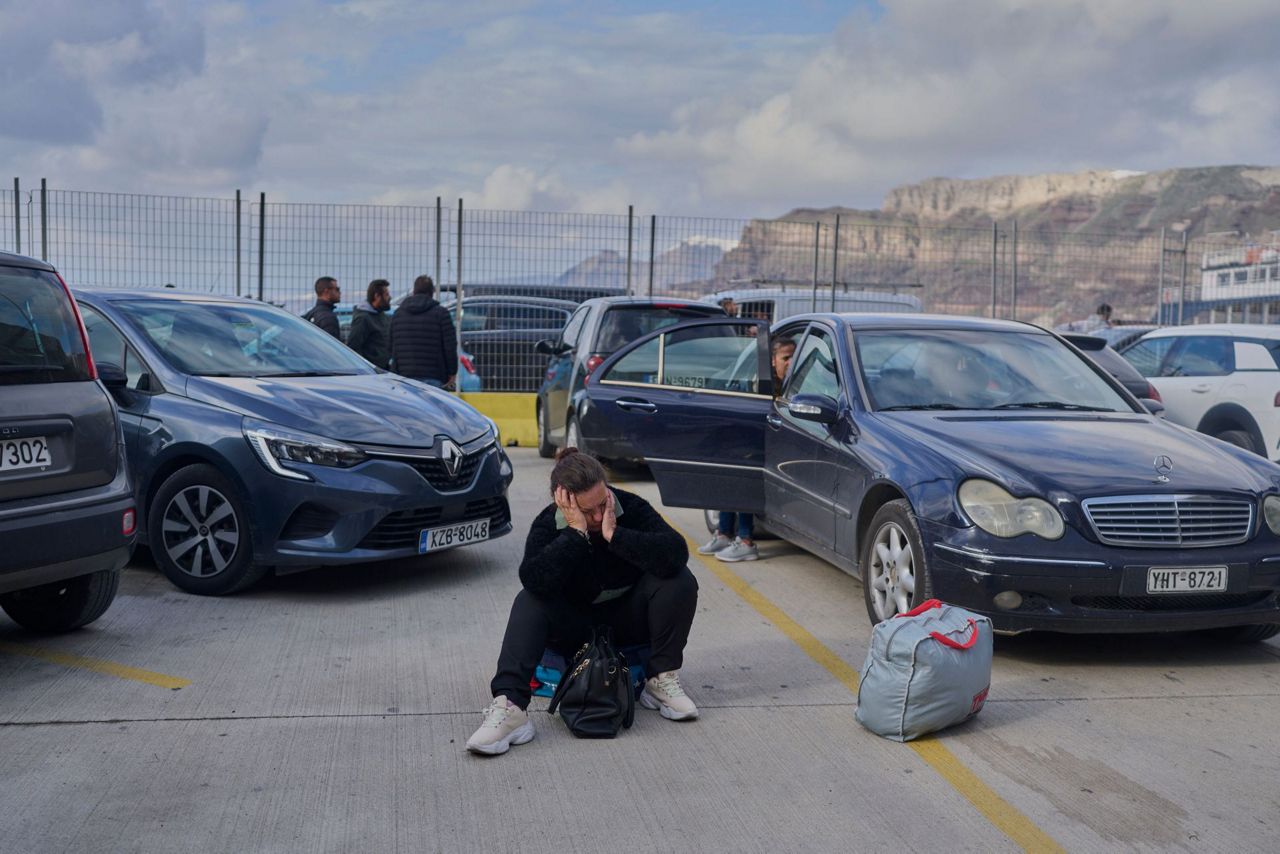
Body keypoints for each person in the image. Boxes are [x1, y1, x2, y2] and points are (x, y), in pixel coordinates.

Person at [467, 448, 700, 756]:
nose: (599, 515)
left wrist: (615, 536)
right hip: (574, 630)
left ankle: (660, 681)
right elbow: (535, 580)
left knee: (679, 579)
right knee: (529, 600)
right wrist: (575, 536)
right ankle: (511, 708)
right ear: (562, 502)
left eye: (602, 503)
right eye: (587, 511)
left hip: (625, 623)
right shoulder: (548, 525)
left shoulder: (629, 506)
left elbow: (675, 553)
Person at [699, 335, 797, 562]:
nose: (791, 362)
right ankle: (724, 533)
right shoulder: (761, 383)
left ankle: (745, 540)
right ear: (772, 360)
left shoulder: (795, 383)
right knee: (730, 465)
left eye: (793, 356)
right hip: (759, 443)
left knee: (744, 471)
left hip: (777, 448)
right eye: (786, 357)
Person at [390, 275, 457, 388]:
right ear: (432, 292)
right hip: (434, 375)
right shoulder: (441, 314)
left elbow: (391, 345)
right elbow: (450, 346)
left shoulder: (398, 314)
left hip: (403, 375)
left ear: (414, 291)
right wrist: (452, 371)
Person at [348, 278, 392, 369]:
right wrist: (366, 368)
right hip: (371, 372)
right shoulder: (363, 319)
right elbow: (353, 347)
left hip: (383, 370)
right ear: (377, 296)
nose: (390, 297)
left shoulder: (382, 315)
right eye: (386, 294)